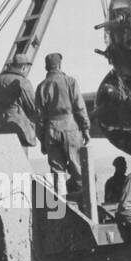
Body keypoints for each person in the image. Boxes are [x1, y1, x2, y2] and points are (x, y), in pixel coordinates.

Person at [35, 52, 90, 198]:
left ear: (47, 67)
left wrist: (42, 139)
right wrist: (85, 129)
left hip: (51, 130)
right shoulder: (70, 82)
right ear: (59, 65)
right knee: (78, 169)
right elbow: (79, 107)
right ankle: (85, 206)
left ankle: (64, 210)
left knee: (57, 174)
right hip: (71, 129)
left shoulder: (41, 87)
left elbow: (39, 118)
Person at [0, 52, 39, 148]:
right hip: (17, 125)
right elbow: (33, 107)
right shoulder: (22, 81)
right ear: (23, 67)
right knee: (19, 156)